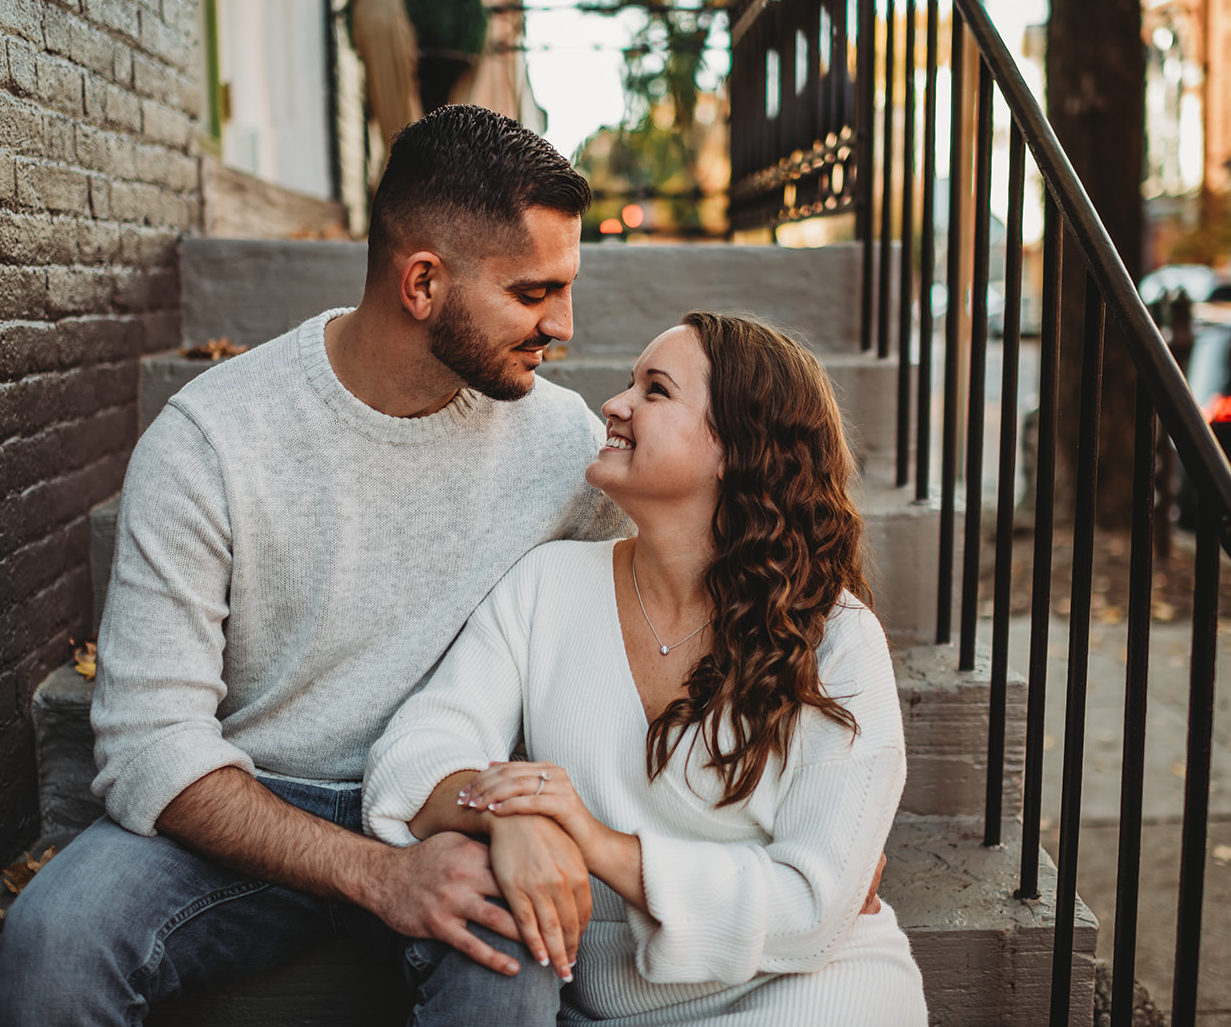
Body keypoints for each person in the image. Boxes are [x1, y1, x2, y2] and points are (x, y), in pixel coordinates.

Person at [0, 105, 630, 1026]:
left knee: (513, 963)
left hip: (444, 805)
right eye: (534, 294)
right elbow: (147, 746)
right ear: (421, 284)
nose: (563, 325)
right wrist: (377, 876)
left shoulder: (562, 444)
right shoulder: (214, 441)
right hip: (236, 809)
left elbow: (688, 601)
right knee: (53, 940)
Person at [364, 313, 929, 1025]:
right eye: (630, 383)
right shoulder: (549, 584)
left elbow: (811, 909)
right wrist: (510, 815)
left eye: (654, 391)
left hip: (806, 997)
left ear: (735, 448)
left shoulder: (836, 640)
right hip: (601, 1003)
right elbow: (416, 752)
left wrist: (593, 841)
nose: (614, 404)